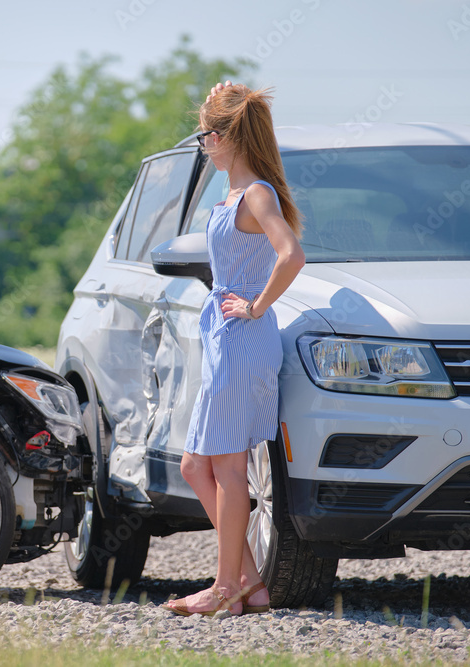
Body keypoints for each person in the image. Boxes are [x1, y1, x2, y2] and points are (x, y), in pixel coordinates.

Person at [163, 82, 305, 617]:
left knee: (226, 468)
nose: (202, 144)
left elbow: (291, 255)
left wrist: (256, 306)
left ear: (224, 138)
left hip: (243, 341)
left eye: (205, 134)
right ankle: (247, 580)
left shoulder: (257, 194)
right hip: (226, 342)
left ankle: (227, 589)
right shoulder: (232, 195)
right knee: (196, 466)